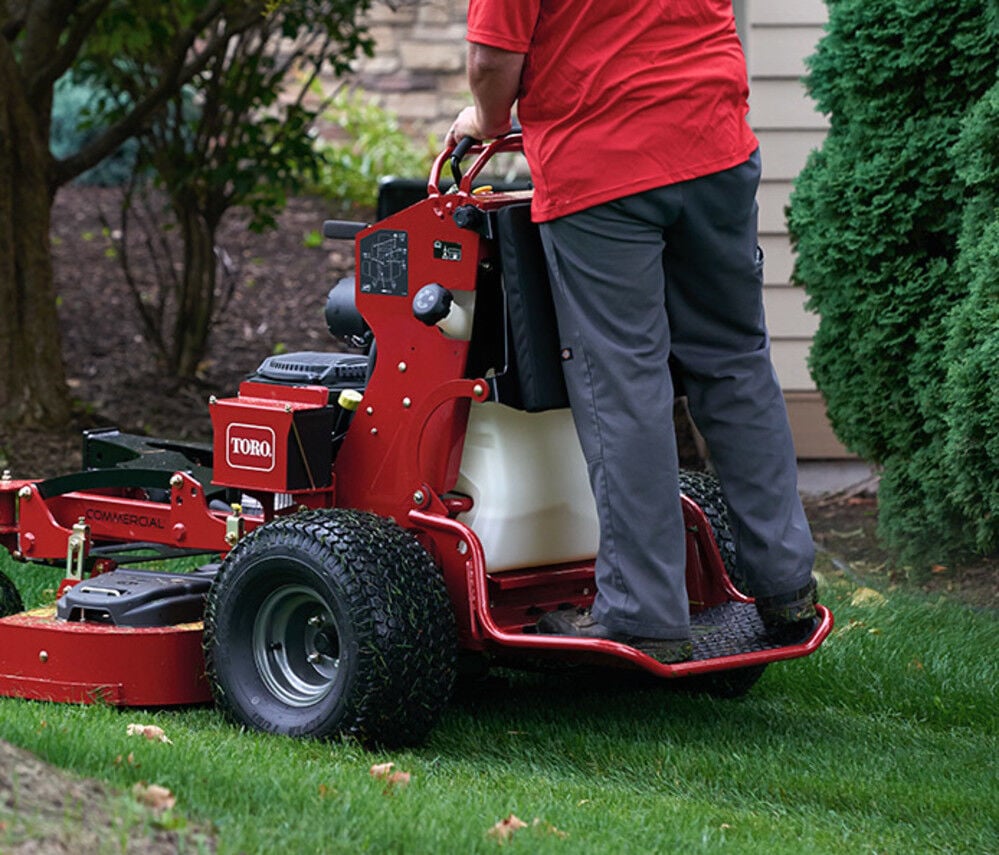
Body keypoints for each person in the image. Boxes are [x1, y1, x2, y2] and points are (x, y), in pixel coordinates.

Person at [447, 0, 818, 664]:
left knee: (623, 382)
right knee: (734, 362)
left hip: (604, 167)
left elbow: (492, 59)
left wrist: (487, 121)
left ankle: (641, 611)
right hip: (714, 145)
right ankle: (785, 584)